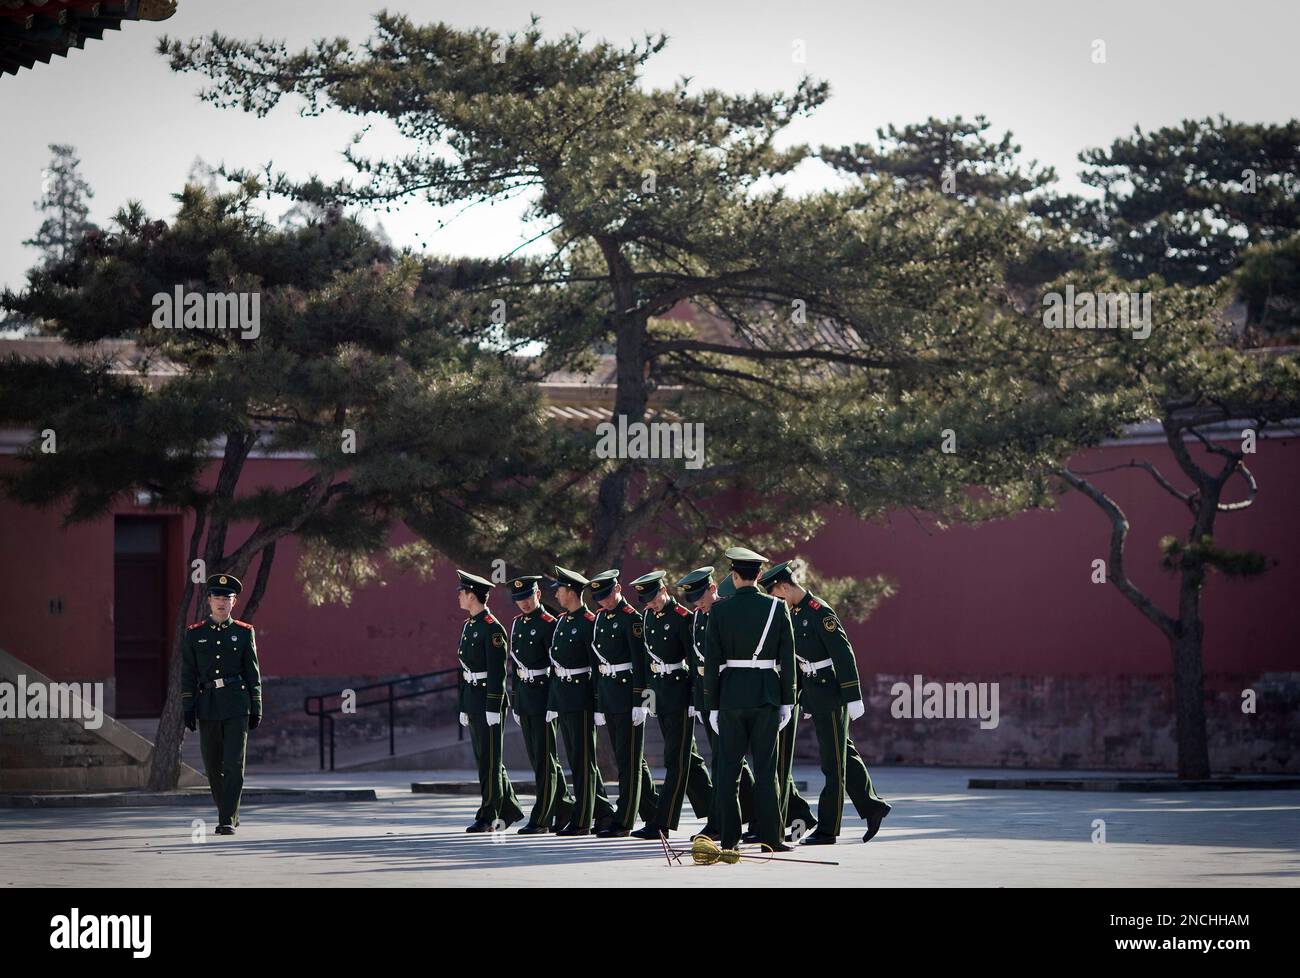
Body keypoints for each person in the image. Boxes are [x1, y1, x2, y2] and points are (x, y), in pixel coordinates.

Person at [761, 560, 892, 844]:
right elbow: (798, 661)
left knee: (832, 765)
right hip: (814, 693)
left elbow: (843, 654)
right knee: (843, 752)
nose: (775, 601)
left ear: (784, 587)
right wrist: (799, 698)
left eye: (775, 595)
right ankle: (873, 806)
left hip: (832, 693)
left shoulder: (819, 612)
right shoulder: (792, 612)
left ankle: (828, 829)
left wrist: (853, 696)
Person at [702, 547, 796, 852]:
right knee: (767, 771)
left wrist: (711, 705)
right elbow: (787, 658)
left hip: (730, 697)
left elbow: (712, 661)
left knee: (728, 771)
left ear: (733, 575)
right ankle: (772, 838)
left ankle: (730, 840)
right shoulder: (775, 607)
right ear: (759, 576)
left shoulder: (719, 610)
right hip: (767, 695)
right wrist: (788, 700)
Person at [627, 570, 713, 839]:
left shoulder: (683, 619)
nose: (650, 604)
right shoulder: (648, 618)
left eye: (652, 599)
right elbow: (644, 662)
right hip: (661, 694)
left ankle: (661, 822)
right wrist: (645, 698)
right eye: (646, 602)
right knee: (690, 759)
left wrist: (693, 699)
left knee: (674, 759)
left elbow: (695, 660)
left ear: (663, 591)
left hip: (680, 694)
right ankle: (721, 810)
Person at [674, 566, 755, 841]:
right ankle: (734, 816)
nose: (698, 605)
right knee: (723, 760)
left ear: (712, 589)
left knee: (727, 761)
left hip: (727, 693)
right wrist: (698, 701)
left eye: (701, 598)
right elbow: (695, 661)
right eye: (694, 602)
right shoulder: (698, 617)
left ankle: (725, 821)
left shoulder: (726, 610)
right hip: (707, 695)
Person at [181, 573, 261, 836]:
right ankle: (227, 810)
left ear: (234, 601)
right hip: (208, 704)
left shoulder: (243, 632)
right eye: (217, 597)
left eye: (226, 598)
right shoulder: (195, 635)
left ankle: (227, 818)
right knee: (213, 765)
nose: (221, 602)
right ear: (209, 601)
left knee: (233, 763)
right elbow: (188, 673)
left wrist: (256, 705)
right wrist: (188, 706)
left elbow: (253, 673)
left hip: (237, 703)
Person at [545, 566, 618, 835]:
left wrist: (598, 705)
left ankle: (581, 820)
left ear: (572, 592)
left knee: (583, 760)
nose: (557, 595)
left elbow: (597, 666)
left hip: (583, 697)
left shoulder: (590, 622)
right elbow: (556, 665)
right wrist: (553, 703)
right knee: (575, 758)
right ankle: (603, 813)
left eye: (560, 590)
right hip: (565, 697)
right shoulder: (563, 621)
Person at [587, 568, 659, 838]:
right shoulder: (600, 619)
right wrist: (597, 703)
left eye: (606, 596)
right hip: (609, 695)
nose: (603, 602)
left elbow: (641, 662)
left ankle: (624, 820)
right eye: (599, 598)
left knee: (629, 762)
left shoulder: (633, 620)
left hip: (628, 695)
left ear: (618, 589)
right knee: (628, 758)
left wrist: (640, 700)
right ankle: (653, 814)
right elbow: (597, 664)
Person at [455, 569, 525, 833]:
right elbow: (463, 670)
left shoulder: (492, 629)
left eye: (462, 593)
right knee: (485, 758)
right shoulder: (469, 626)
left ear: (472, 596)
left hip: (488, 700)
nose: (459, 597)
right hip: (473, 699)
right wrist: (463, 705)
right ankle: (510, 809)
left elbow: (497, 671)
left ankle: (489, 815)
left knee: (491, 760)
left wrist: (494, 706)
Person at [507, 575, 574, 834]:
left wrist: (553, 701)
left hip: (544, 694)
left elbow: (557, 667)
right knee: (538, 757)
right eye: (517, 599)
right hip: (525, 697)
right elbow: (515, 665)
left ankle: (541, 817)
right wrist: (514, 701)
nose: (523, 603)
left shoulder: (549, 623)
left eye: (526, 597)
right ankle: (564, 804)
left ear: (537, 593)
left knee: (545, 758)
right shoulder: (517, 624)